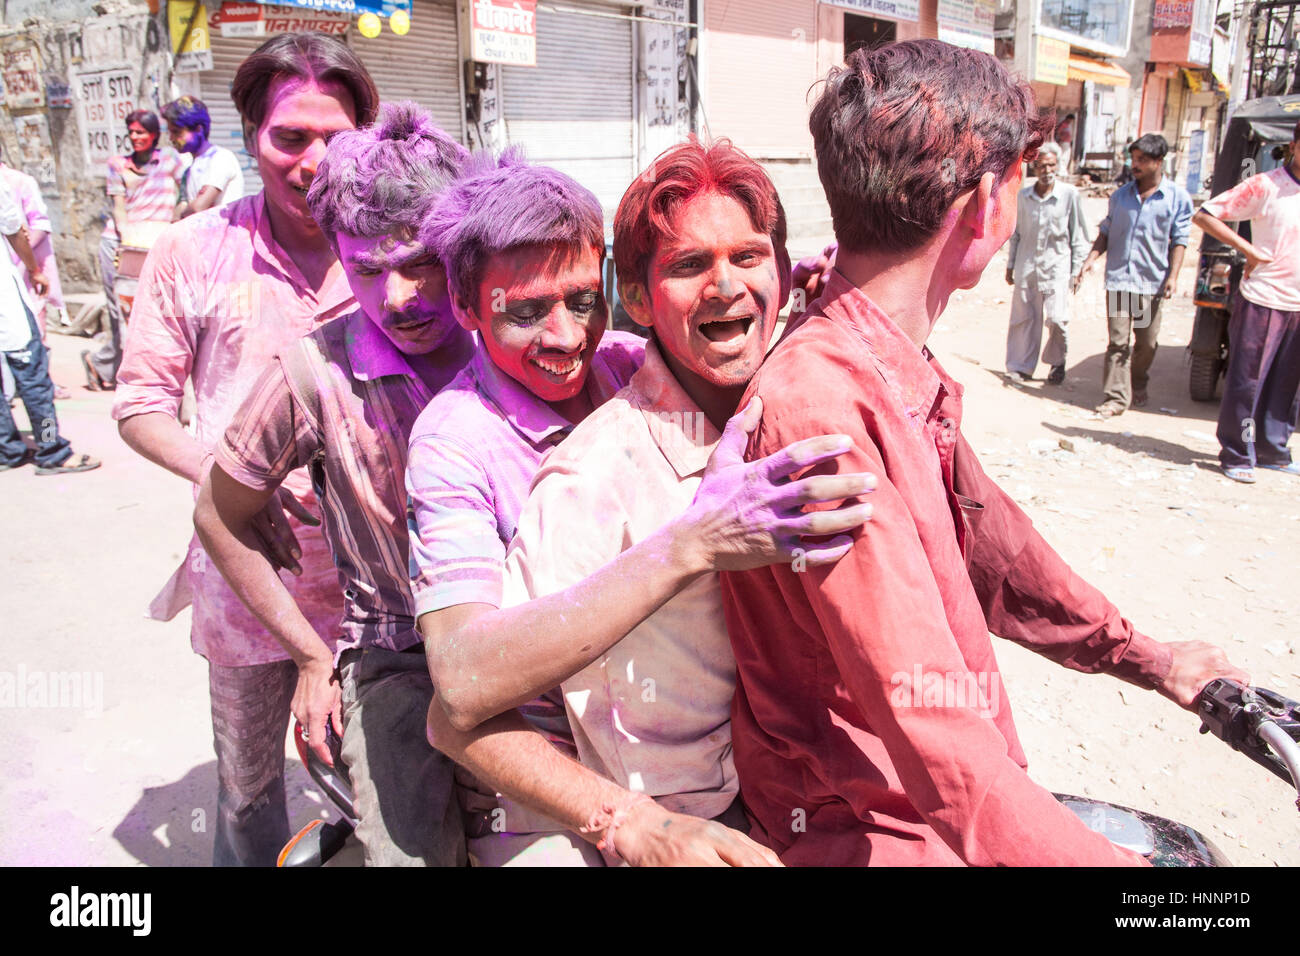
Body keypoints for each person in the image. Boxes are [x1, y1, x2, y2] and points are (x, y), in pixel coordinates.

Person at [718, 39, 1247, 866]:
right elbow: (938, 741)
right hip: (871, 826)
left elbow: (996, 545)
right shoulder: (820, 410)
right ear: (988, 201)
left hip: (937, 802)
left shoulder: (887, 362)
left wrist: (1153, 659)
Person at [412, 140, 870, 867]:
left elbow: (719, 310)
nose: (565, 338)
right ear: (467, 306)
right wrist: (692, 543)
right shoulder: (454, 442)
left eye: (581, 302)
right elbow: (461, 695)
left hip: (699, 760)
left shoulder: (628, 362)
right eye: (526, 312)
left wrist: (816, 293)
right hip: (529, 761)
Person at [112, 33, 378, 866]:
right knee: (250, 789)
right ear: (252, 138)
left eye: (338, 138)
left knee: (380, 778)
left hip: (385, 582)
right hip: (246, 583)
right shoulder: (192, 252)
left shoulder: (400, 252)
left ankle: (343, 834)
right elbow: (140, 406)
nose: (315, 162)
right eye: (290, 137)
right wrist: (232, 482)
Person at [194, 102, 473, 866]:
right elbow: (219, 514)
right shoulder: (312, 372)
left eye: (421, 261)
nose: (400, 297)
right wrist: (313, 657)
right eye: (368, 269)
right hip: (396, 654)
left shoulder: (514, 333)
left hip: (522, 635)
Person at [1191, 121, 1300, 483]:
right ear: (1294, 145)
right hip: (1264, 299)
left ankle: (1272, 449)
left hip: (1297, 306)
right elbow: (1205, 214)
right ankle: (1237, 453)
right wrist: (1249, 251)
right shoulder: (1267, 185)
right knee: (1248, 381)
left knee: (1286, 382)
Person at [1076, 133, 1192, 417]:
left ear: (1158, 162)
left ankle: (1138, 380)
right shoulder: (1120, 197)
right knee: (1118, 342)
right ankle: (1115, 398)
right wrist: (1091, 258)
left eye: (1141, 160)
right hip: (1118, 282)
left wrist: (1173, 277)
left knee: (1147, 343)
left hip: (1150, 283)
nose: (1134, 165)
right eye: (1133, 159)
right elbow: (1106, 231)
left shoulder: (1176, 198)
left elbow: (1179, 240)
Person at [0, 178, 99, 475]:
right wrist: (35, 270)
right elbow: (15, 231)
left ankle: (6, 447)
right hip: (7, 305)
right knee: (33, 380)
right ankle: (50, 448)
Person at [88, 110, 184, 391]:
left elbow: (184, 193)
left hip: (158, 243)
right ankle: (132, 381)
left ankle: (104, 364)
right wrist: (126, 242)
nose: (135, 137)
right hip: (123, 244)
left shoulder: (169, 159)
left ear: (154, 134)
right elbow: (119, 208)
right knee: (123, 313)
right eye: (131, 132)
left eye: (141, 132)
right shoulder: (118, 164)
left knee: (162, 310)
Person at [1003, 141, 1090, 384]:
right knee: (1024, 320)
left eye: (1051, 165)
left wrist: (1076, 271)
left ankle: (1056, 363)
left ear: (1058, 166)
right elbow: (1016, 234)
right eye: (1041, 166)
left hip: (1057, 268)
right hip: (1027, 267)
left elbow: (1078, 236)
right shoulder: (1023, 196)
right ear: (1035, 168)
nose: (1046, 170)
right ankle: (1020, 367)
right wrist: (1010, 265)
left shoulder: (1069, 196)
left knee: (1057, 319)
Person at [0, 148, 65, 339]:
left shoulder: (20, 181)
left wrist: (27, 260)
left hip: (21, 262)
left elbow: (38, 223)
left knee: (32, 321)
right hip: (15, 263)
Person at [163, 96, 246, 218]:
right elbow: (180, 212)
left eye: (177, 132)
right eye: (170, 132)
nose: (171, 138)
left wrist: (185, 210)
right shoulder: (189, 170)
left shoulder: (221, 158)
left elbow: (198, 207)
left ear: (198, 129)